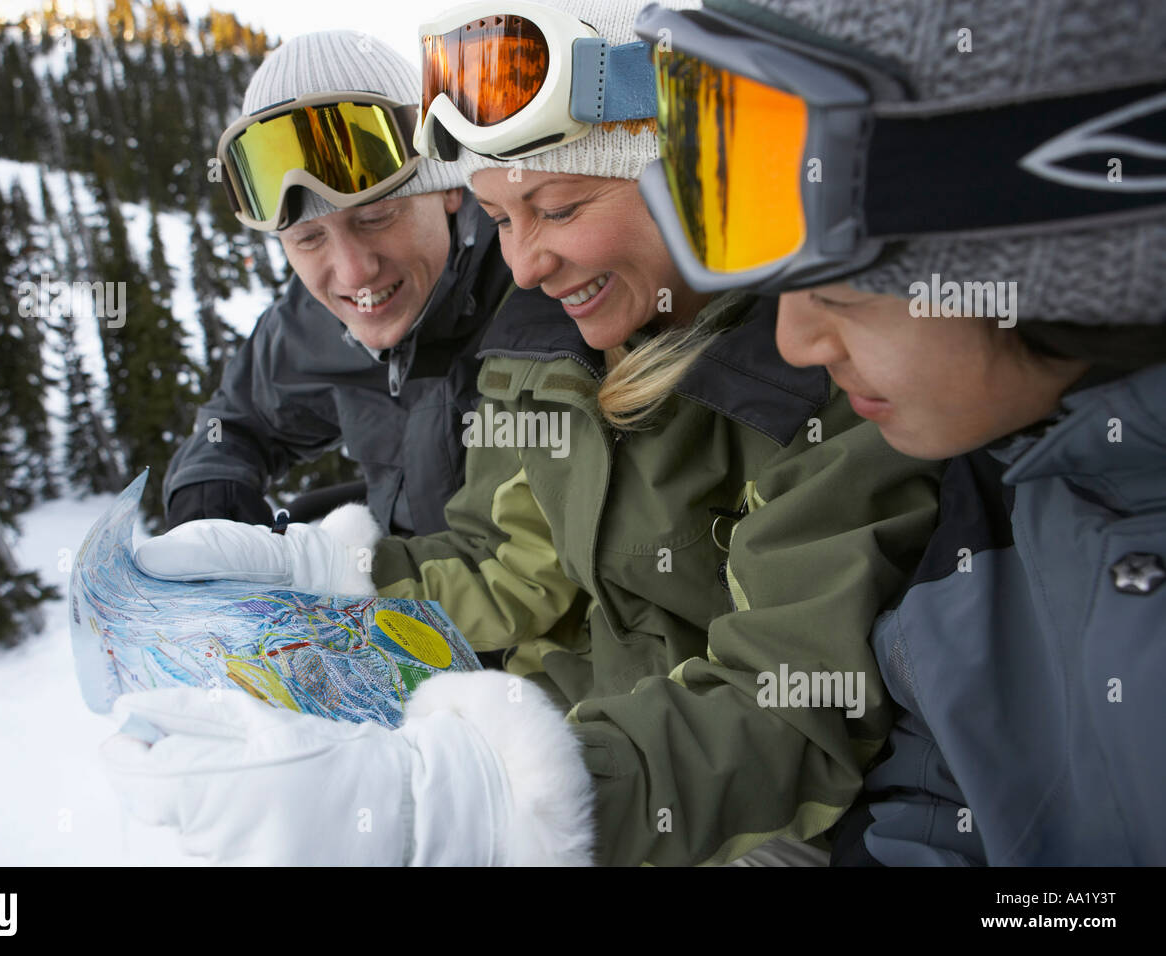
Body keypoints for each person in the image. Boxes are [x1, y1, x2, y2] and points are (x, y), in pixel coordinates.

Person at [104, 0, 942, 867]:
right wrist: (311, 567)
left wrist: (496, 805)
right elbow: (506, 561)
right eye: (504, 218)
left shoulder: (829, 367)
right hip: (570, 739)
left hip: (725, 819)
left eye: (560, 205)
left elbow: (788, 708)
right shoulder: (542, 343)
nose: (525, 264)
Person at [636, 0, 1166, 863]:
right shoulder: (1006, 488)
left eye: (841, 295)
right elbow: (933, 801)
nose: (794, 344)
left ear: (1064, 278)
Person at [163, 30, 512, 536]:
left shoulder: (543, 294)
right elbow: (240, 420)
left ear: (450, 191)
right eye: (308, 240)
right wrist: (210, 491)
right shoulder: (314, 323)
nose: (353, 274)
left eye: (376, 219)